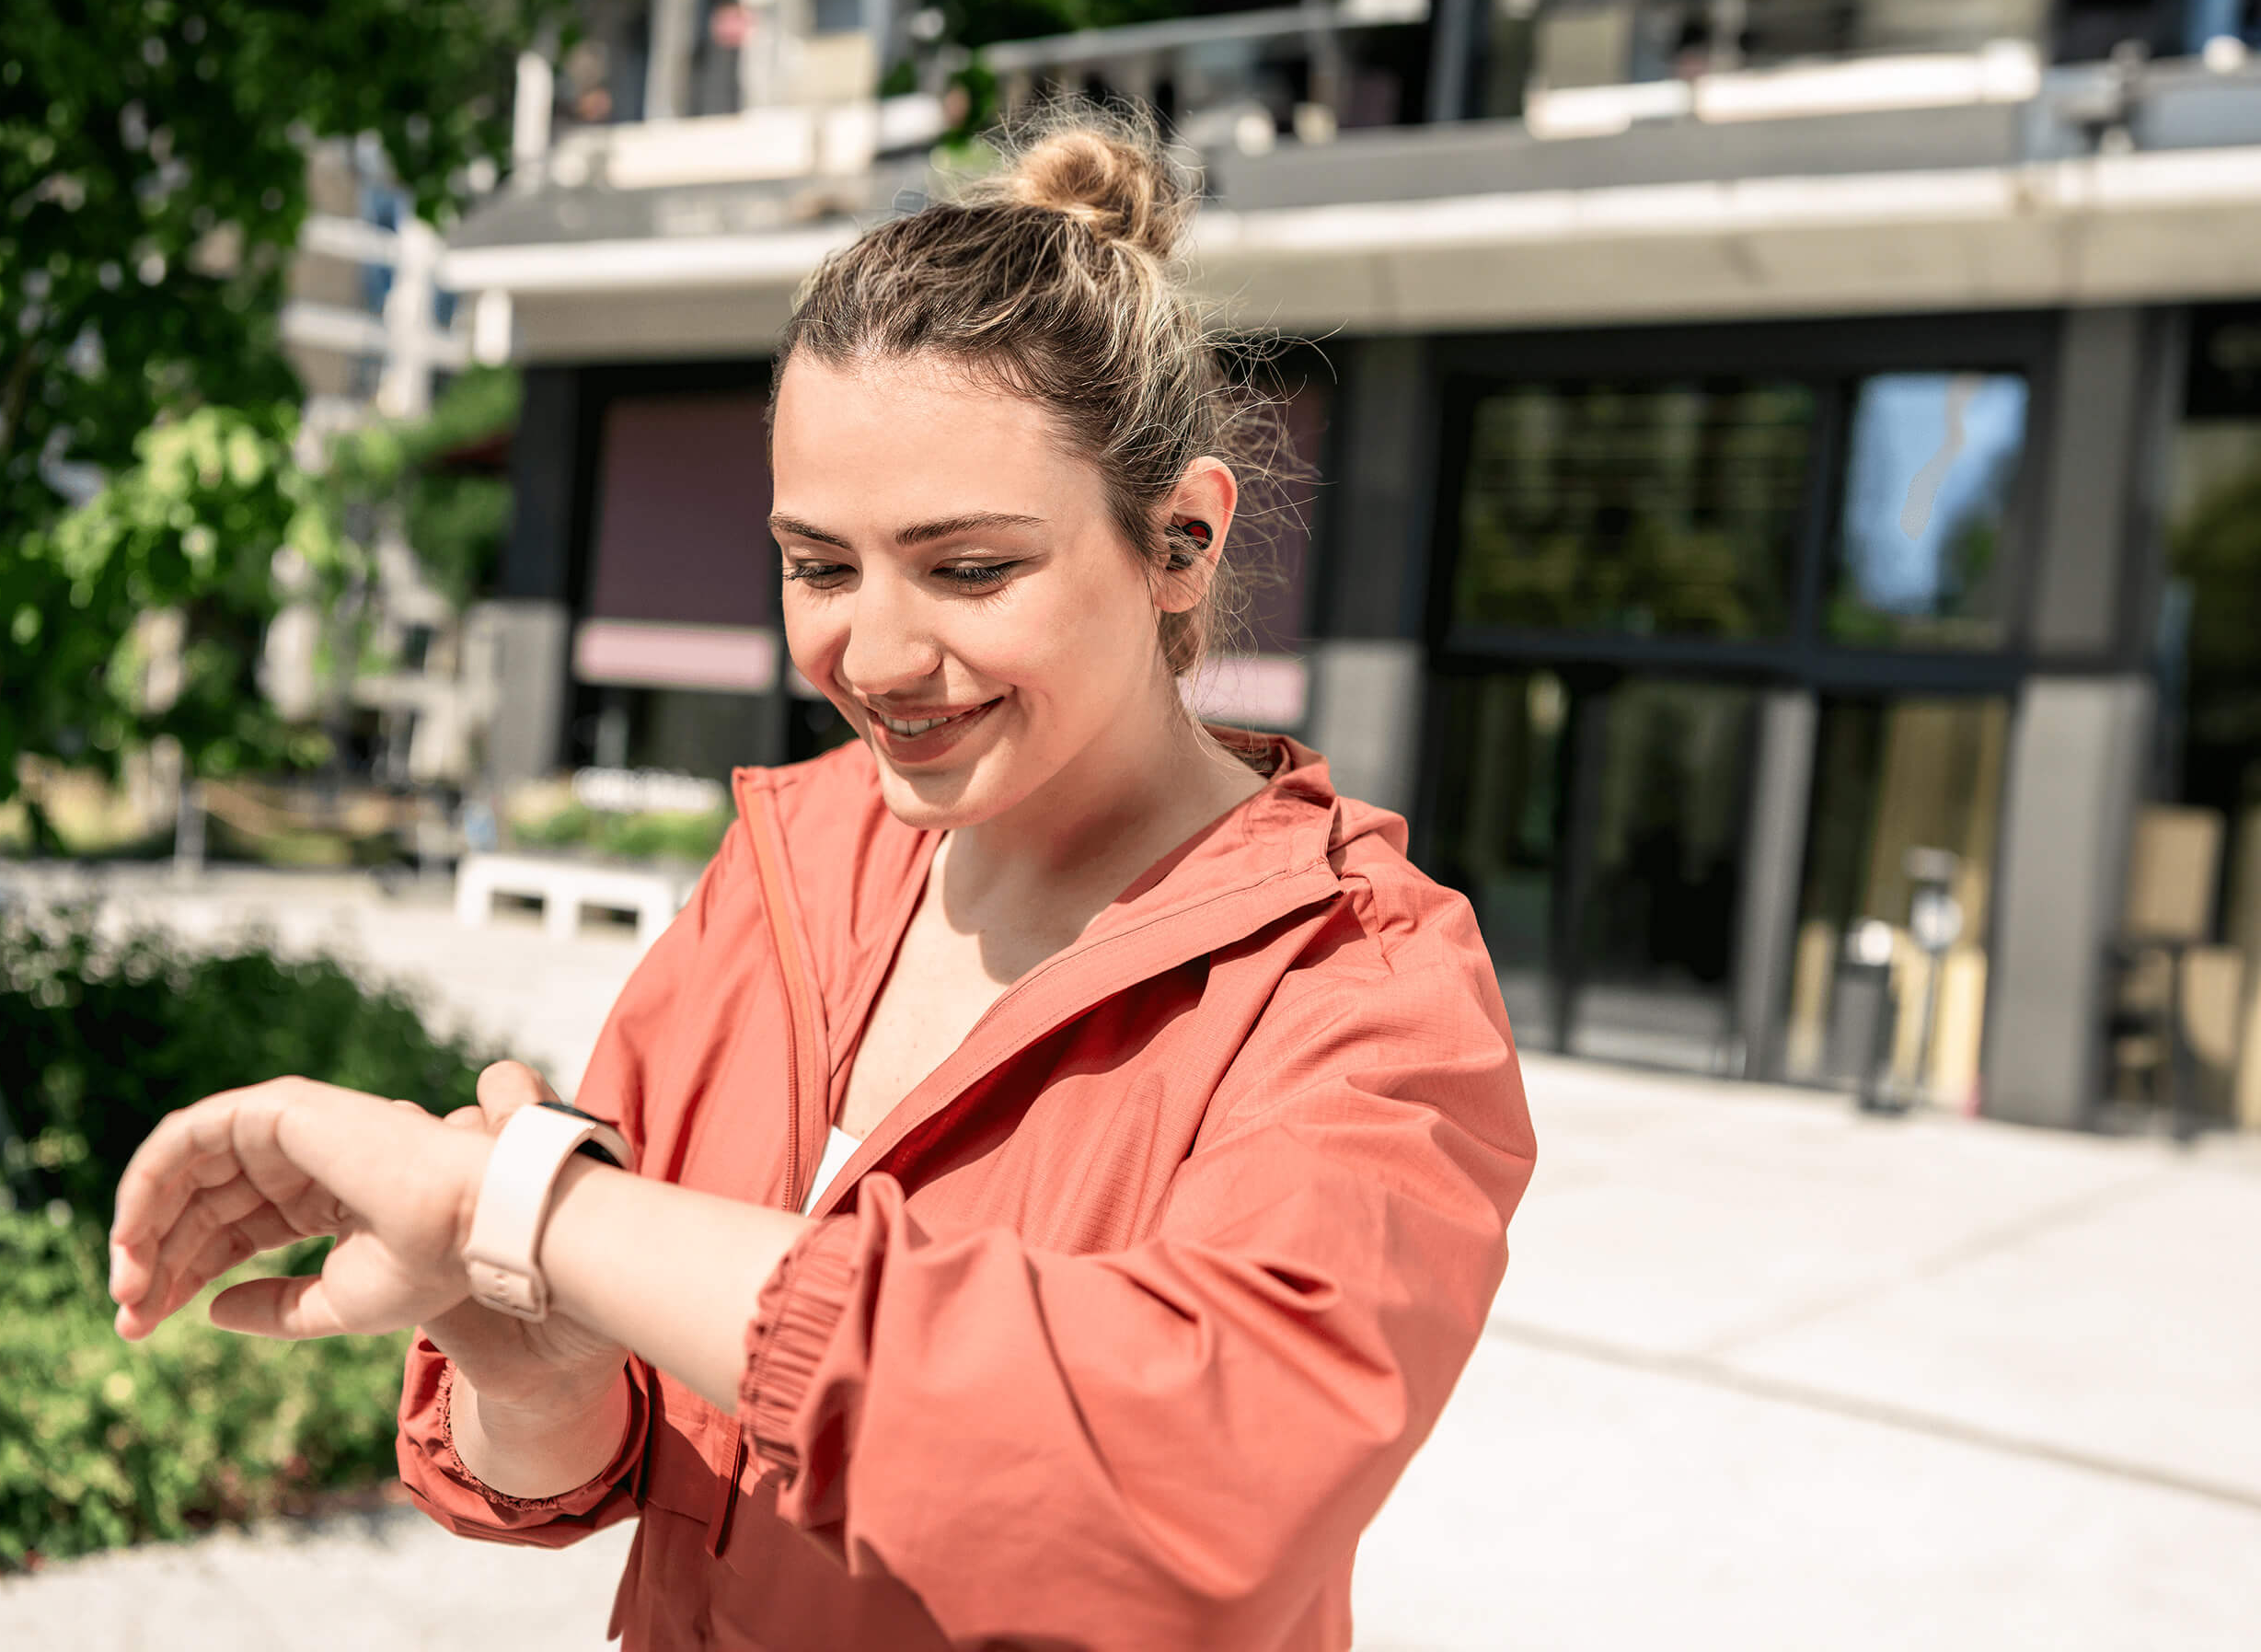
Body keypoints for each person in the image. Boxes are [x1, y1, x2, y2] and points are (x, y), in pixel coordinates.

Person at [108, 104, 1535, 1652]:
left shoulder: (1359, 989)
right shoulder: (793, 863)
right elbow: (606, 1461)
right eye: (817, 564)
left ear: (1180, 540)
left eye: (971, 568)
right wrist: (541, 1375)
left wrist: (519, 1202)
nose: (874, 653)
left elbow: (1195, 1489)